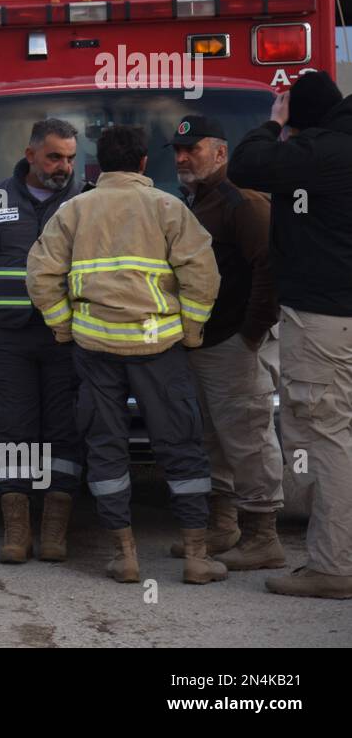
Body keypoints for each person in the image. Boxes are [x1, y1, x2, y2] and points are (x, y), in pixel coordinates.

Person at [27, 125, 225, 585]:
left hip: (95, 350)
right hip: (160, 347)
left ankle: (125, 556)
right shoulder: (168, 208)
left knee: (105, 448)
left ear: (98, 166)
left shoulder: (73, 210)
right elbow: (203, 273)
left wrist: (62, 326)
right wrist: (191, 329)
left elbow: (40, 276)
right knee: (180, 446)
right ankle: (196, 557)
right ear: (141, 164)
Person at [228, 70, 352, 600]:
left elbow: (246, 165)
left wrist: (273, 123)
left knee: (325, 439)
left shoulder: (325, 150)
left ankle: (333, 565)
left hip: (324, 318)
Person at [0, 118, 85, 564]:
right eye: (54, 156)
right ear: (30, 155)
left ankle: (54, 531)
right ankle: (16, 530)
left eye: (70, 157)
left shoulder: (84, 202)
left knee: (63, 429)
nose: (63, 166)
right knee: (12, 428)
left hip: (63, 339)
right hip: (7, 338)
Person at [169, 115, 284, 570]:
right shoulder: (200, 199)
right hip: (204, 342)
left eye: (192, 149)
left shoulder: (243, 202)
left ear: (220, 153)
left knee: (248, 437)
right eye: (177, 150)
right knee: (213, 438)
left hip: (233, 342)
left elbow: (271, 268)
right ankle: (225, 526)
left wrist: (251, 333)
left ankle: (264, 538)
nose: (181, 157)